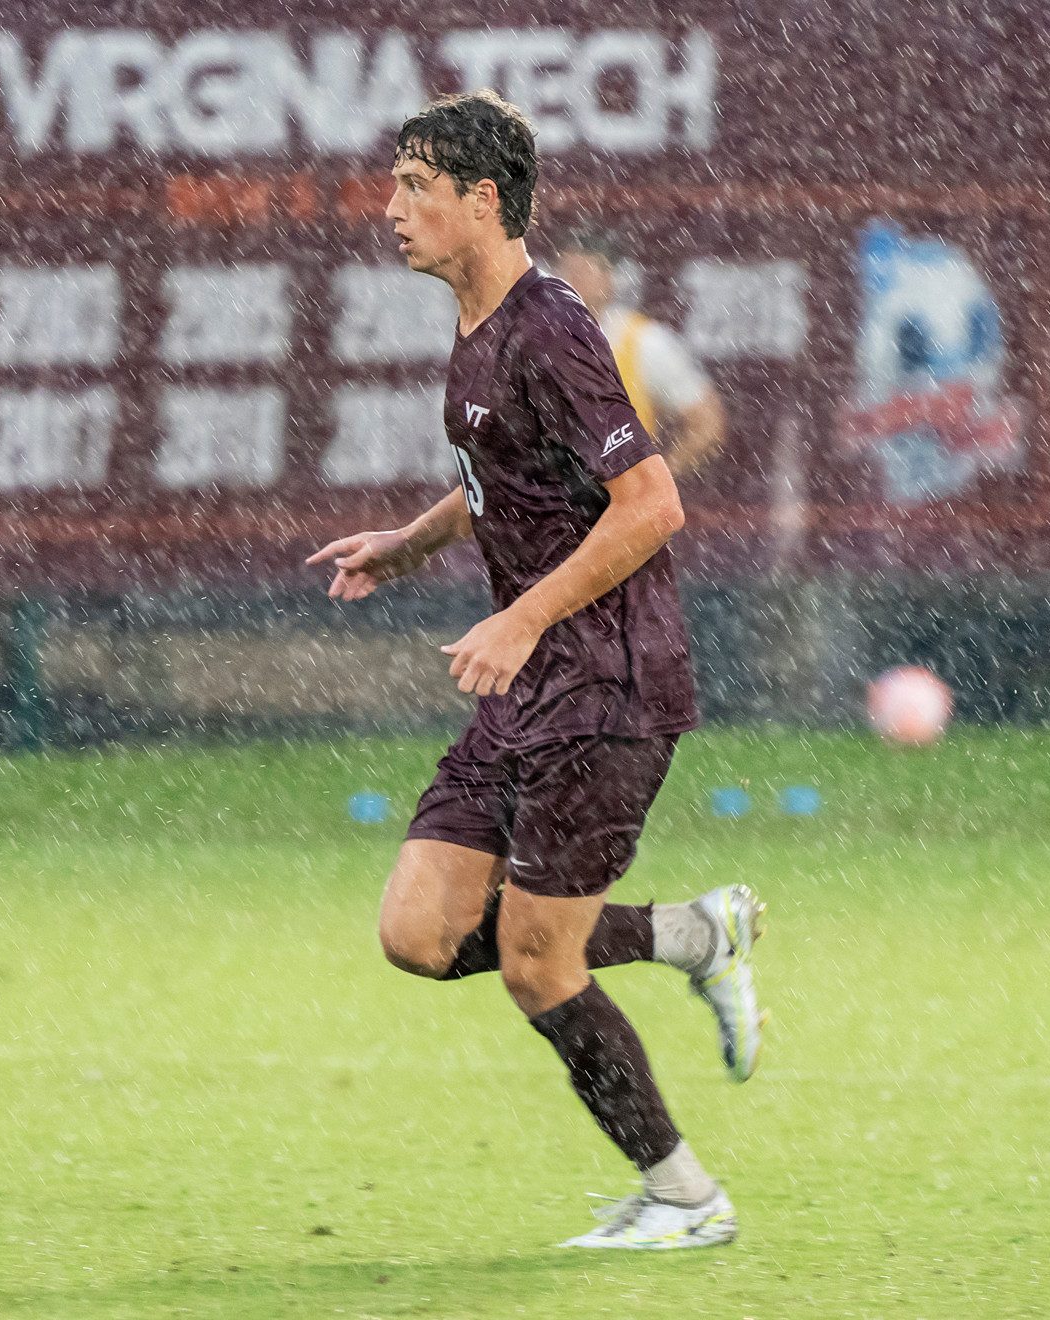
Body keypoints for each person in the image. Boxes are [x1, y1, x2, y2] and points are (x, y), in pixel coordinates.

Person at [306, 91, 767, 1252]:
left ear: (484, 200)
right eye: (397, 181)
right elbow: (496, 484)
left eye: (418, 186)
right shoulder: (476, 328)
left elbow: (650, 503)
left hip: (607, 688)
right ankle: (688, 936)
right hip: (527, 692)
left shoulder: (553, 326)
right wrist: (406, 548)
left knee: (532, 962)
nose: (393, 207)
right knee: (418, 931)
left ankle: (684, 1196)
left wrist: (523, 618)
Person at [552, 232, 729, 480]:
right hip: (548, 508)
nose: (574, 279)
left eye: (585, 270)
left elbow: (707, 424)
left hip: (619, 507)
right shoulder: (531, 337)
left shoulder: (645, 342)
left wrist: (656, 482)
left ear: (611, 279)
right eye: (568, 269)